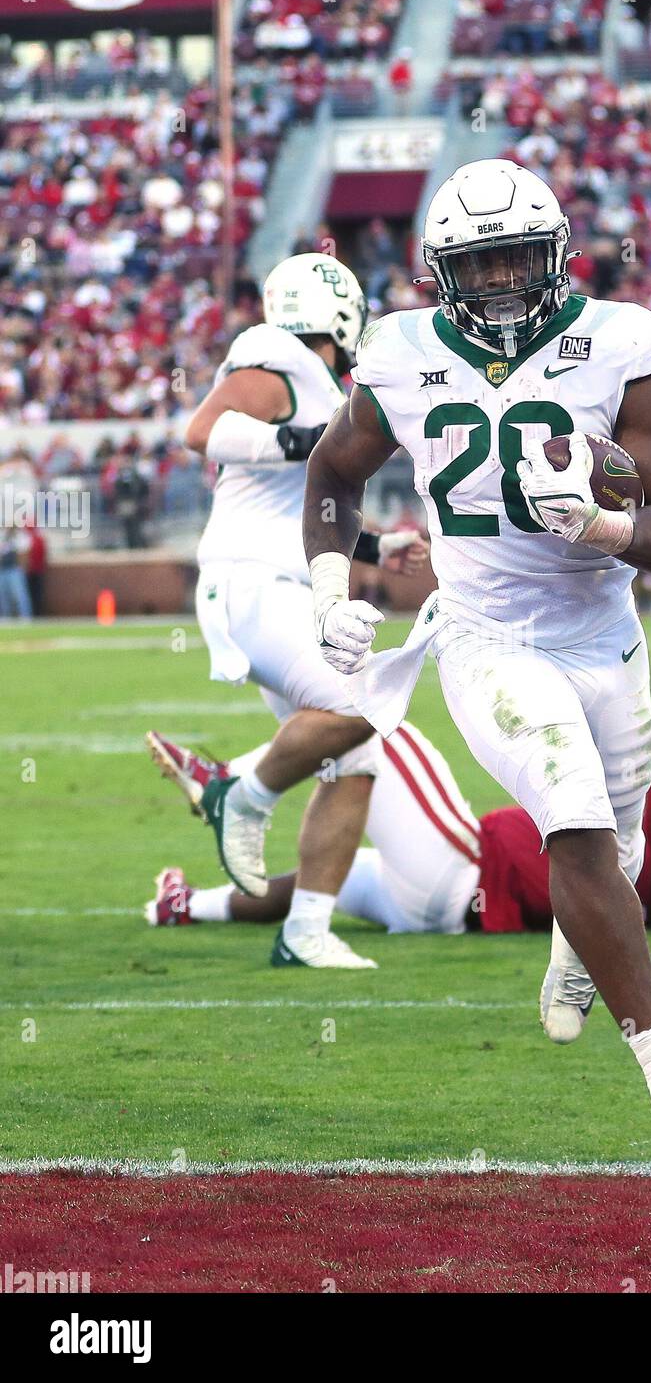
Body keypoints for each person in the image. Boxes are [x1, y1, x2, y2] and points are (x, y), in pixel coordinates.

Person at [299, 159, 651, 1166]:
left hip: (605, 641)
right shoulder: (402, 353)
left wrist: (595, 523)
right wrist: (332, 586)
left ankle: (575, 945)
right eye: (479, 263)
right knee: (575, 819)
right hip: (486, 640)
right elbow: (334, 466)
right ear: (440, 271)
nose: (500, 280)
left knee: (617, 843)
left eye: (516, 259)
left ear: (555, 256)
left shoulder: (616, 343)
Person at [173, 252, 427, 968]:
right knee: (367, 704)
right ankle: (237, 791)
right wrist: (304, 440)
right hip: (252, 584)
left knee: (356, 756)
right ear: (337, 312)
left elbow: (298, 508)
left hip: (276, 584)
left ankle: (306, 930)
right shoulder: (274, 353)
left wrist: (374, 548)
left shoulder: (310, 379)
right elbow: (203, 431)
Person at [146, 731, 651, 944]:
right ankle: (186, 906)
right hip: (448, 903)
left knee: (375, 729)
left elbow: (642, 752)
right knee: (331, 878)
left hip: (462, 868)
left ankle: (230, 784)